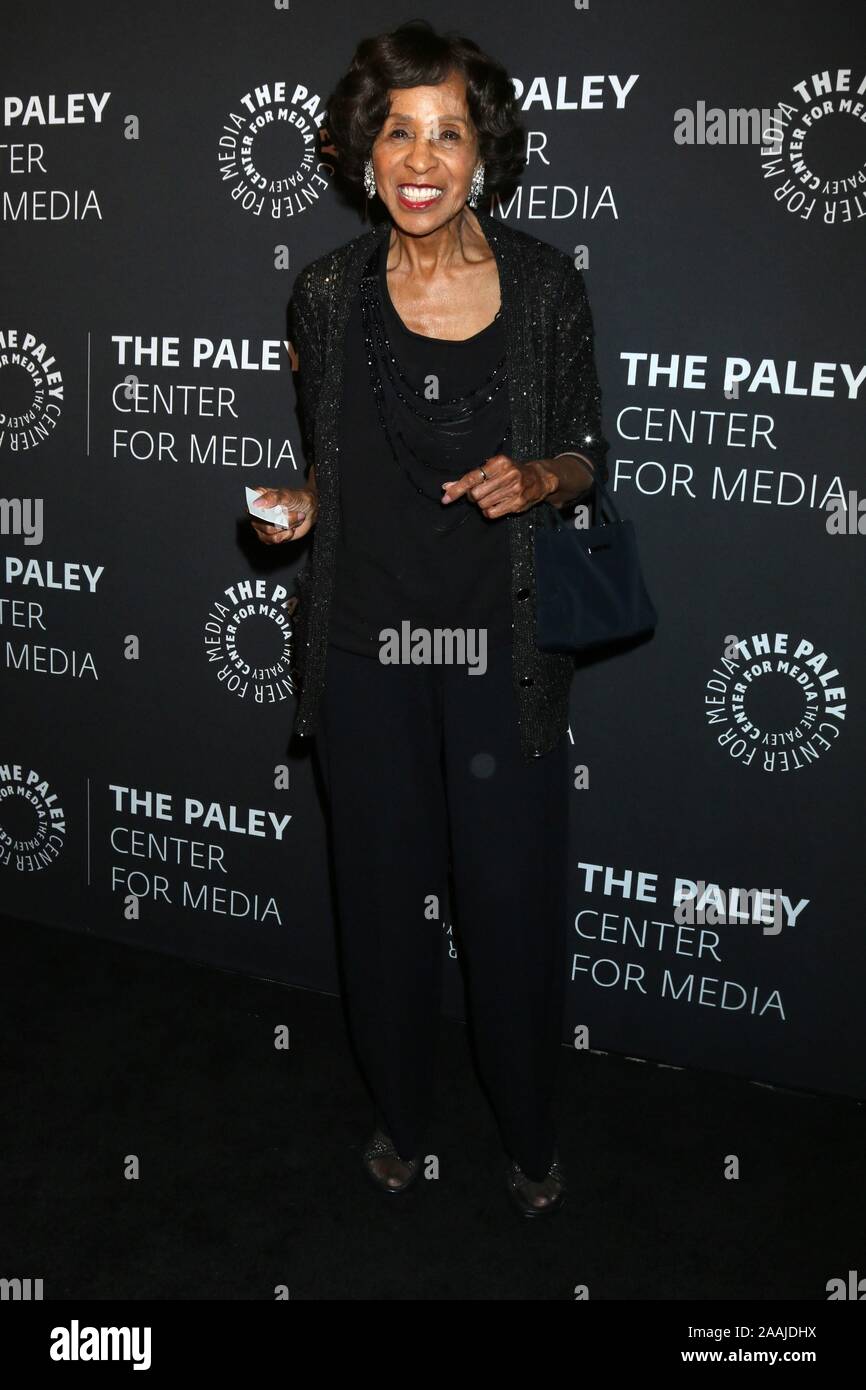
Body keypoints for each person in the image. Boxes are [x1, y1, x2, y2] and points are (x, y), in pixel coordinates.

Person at [251, 19, 610, 1217]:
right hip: (361, 654)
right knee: (381, 912)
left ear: (481, 153)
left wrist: (540, 478)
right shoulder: (321, 292)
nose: (419, 156)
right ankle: (400, 1118)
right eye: (397, 130)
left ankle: (526, 1133)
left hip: (496, 655)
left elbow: (585, 453)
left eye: (445, 131)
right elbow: (333, 476)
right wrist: (294, 513)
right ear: (364, 150)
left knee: (508, 912)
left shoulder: (548, 283)